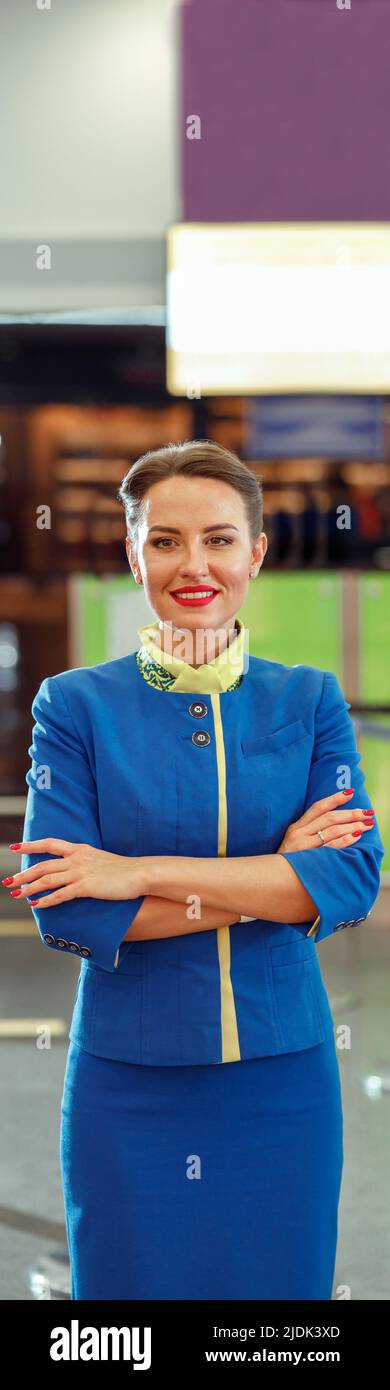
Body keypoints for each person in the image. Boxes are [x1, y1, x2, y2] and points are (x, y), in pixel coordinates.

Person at [6, 440, 384, 1300]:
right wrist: (278, 877)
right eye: (166, 540)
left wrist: (133, 875)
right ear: (132, 553)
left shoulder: (311, 700)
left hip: (281, 1074)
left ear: (255, 552)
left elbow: (349, 881)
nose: (194, 564)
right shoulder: (74, 706)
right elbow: (68, 909)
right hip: (128, 1081)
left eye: (218, 539)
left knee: (276, 1326)